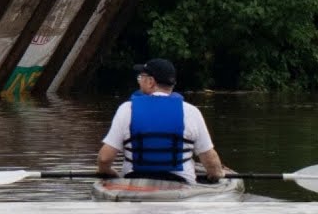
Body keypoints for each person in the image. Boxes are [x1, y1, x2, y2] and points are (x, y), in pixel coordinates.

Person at [97, 58, 226, 184]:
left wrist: (106, 171)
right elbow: (210, 160)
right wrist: (216, 174)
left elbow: (104, 158)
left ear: (150, 82)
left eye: (141, 77)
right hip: (181, 185)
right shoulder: (191, 112)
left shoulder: (127, 109)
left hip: (134, 182)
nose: (139, 81)